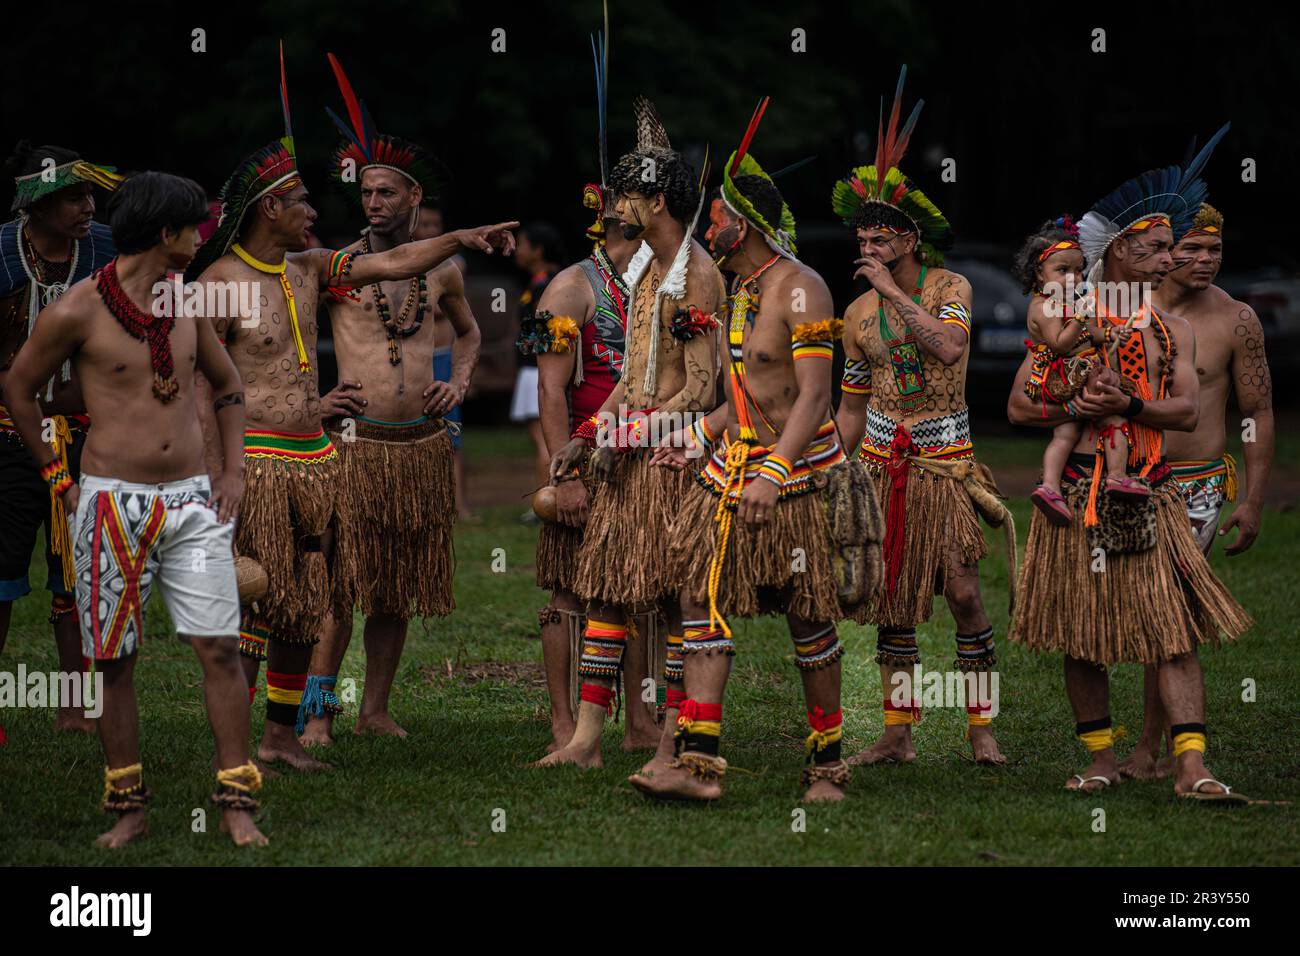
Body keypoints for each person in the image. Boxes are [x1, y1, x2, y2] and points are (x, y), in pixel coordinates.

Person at [187, 51, 515, 770]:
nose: (327, 208)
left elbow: (403, 270)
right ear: (269, 207)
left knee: (320, 597)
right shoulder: (233, 279)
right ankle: (256, 740)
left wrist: (460, 241)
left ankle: (303, 730)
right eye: (308, 200)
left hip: (340, 454)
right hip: (286, 456)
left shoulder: (310, 268)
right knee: (270, 600)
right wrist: (219, 472)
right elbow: (198, 384)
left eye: (379, 192)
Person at [3, 171, 265, 847]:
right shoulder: (78, 310)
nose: (202, 237)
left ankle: (236, 801)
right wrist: (57, 473)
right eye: (194, 227)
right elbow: (19, 387)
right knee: (114, 661)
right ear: (164, 233)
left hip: (190, 501)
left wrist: (231, 470)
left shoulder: (185, 303)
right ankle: (129, 807)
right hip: (110, 500)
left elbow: (229, 386)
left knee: (220, 650)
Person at [634, 100, 881, 802]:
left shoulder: (802, 290)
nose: (706, 226)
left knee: (809, 615)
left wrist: (775, 472)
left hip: (796, 476)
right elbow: (746, 390)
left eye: (714, 217)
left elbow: (810, 398)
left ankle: (827, 767)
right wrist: (694, 437)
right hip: (734, 467)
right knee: (695, 594)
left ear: (743, 224)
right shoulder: (743, 293)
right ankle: (696, 763)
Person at [1008, 126, 1254, 801]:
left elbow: (1186, 413)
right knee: (1080, 633)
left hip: (1147, 489)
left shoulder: (1169, 329)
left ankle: (1192, 767)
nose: (1164, 260)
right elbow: (1019, 408)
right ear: (1116, 250)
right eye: (1151, 249)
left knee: (1172, 630)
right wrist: (1074, 400)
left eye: (1168, 249)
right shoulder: (1069, 314)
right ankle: (1098, 759)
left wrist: (1131, 406)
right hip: (1080, 487)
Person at [297, 54, 484, 744]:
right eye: (366, 192)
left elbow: (469, 336)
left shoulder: (444, 270)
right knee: (337, 586)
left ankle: (374, 709)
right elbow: (279, 340)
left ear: (413, 200)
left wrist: (459, 382)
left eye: (385, 193)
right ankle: (316, 714)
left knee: (395, 588)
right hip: (355, 445)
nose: (372, 202)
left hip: (420, 447)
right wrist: (312, 401)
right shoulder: (336, 268)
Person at [541, 96, 724, 769]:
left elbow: (702, 391)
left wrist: (633, 432)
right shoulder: (645, 272)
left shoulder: (697, 278)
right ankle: (587, 740)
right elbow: (631, 376)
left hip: (673, 464)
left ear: (655, 200)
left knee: (678, 602)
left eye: (625, 195)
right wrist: (588, 434)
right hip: (627, 458)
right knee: (610, 591)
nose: (615, 206)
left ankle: (674, 738)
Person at [831, 68, 1007, 765]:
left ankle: (981, 727)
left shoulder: (948, 286)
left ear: (910, 240)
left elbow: (949, 344)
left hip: (942, 466)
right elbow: (850, 406)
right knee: (892, 604)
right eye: (863, 236)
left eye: (882, 237)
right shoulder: (852, 317)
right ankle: (898, 733)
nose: (868, 246)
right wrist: (825, 467)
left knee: (963, 594)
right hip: (878, 465)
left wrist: (888, 291)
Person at [1121, 201, 1274, 780]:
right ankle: (1137, 749)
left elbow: (1256, 412)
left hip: (1197, 489)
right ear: (1162, 252)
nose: (1205, 260)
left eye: (1214, 250)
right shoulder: (1120, 310)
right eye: (1191, 250)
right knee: (1140, 614)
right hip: (1126, 479)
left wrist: (1253, 499)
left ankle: (1162, 753)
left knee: (1170, 612)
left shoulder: (1236, 319)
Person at [523, 24, 645, 755]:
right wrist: (555, 475)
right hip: (583, 461)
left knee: (641, 593)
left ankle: (642, 723)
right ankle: (566, 725)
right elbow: (547, 393)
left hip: (646, 458)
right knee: (570, 596)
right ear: (608, 224)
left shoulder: (667, 287)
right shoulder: (566, 290)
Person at [0, 142, 120, 736]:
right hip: (5, 436)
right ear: (38, 205)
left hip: (84, 432)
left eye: (90, 195)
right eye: (74, 197)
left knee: (76, 572)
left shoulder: (103, 251)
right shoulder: (0, 251)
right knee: (0, 574)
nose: (88, 207)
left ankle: (75, 706)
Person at [1015, 215, 1148, 526]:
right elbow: (1061, 344)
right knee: (1110, 413)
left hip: (1081, 368)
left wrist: (1111, 334)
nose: (1073, 278)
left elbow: (1091, 334)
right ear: (1038, 272)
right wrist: (1079, 318)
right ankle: (1103, 478)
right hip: (1063, 374)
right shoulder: (1042, 307)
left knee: (1070, 431)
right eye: (1062, 271)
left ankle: (1060, 485)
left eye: (1078, 270)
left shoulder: (1069, 301)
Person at [413, 200, 472, 520]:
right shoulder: (401, 262)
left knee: (453, 437)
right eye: (425, 224)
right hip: (415, 361)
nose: (431, 230)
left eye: (436, 225)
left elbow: (434, 307)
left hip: (443, 358)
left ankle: (460, 504)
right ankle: (428, 503)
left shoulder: (452, 264)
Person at [511, 221, 566, 506]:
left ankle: (546, 501)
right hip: (534, 372)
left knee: (545, 440)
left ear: (538, 250)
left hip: (540, 372)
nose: (517, 250)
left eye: (522, 244)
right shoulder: (540, 282)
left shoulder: (550, 283)